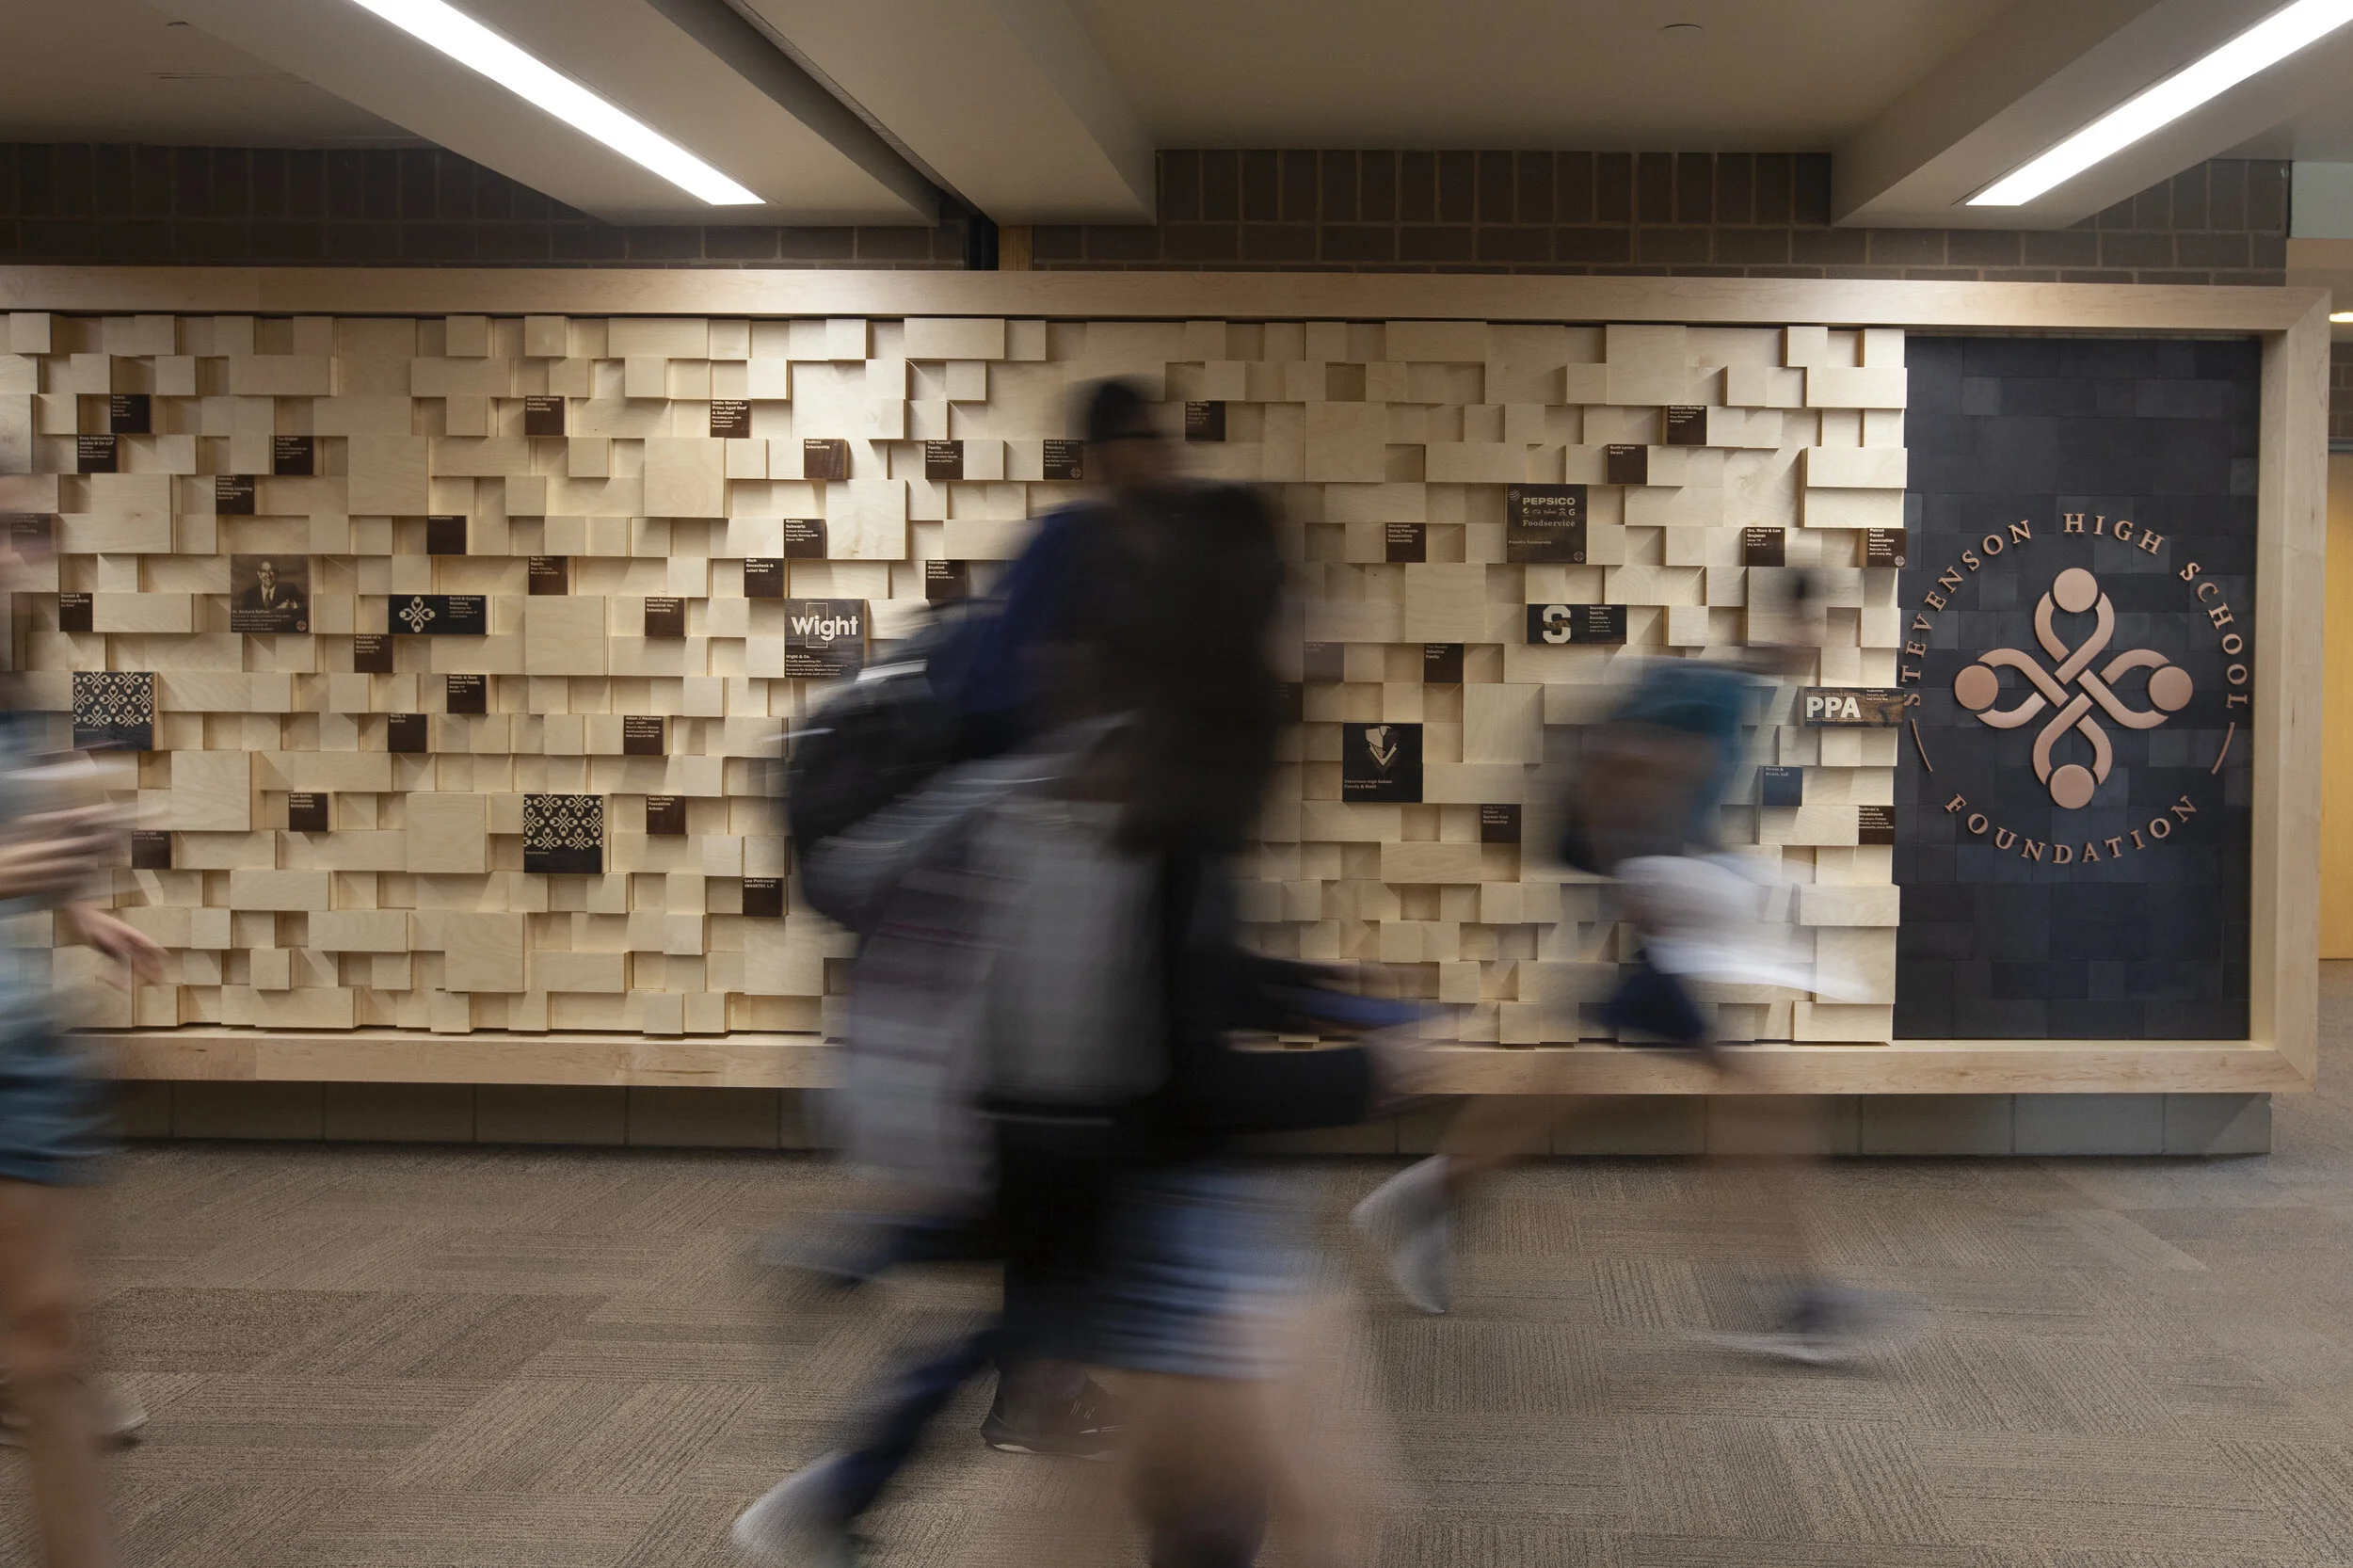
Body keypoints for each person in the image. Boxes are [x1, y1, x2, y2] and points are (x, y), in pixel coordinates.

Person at [1351, 571, 1894, 1363]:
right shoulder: (1718, 693)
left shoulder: (1736, 696)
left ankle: (1441, 1187)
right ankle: (1803, 1298)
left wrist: (1723, 880)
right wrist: (1635, 874)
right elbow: (1619, 763)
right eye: (1822, 624)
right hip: (1656, 917)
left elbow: (1653, 789)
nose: (1824, 643)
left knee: (1587, 1075)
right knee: (1756, 1093)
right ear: (1793, 620)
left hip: (1660, 916)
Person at [0, 525, 167, 1568]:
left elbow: (41, 834)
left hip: (25, 1052)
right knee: (38, 1345)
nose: (16, 559)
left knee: (48, 1341)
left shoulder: (18, 694)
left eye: (23, 533)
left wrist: (84, 912)